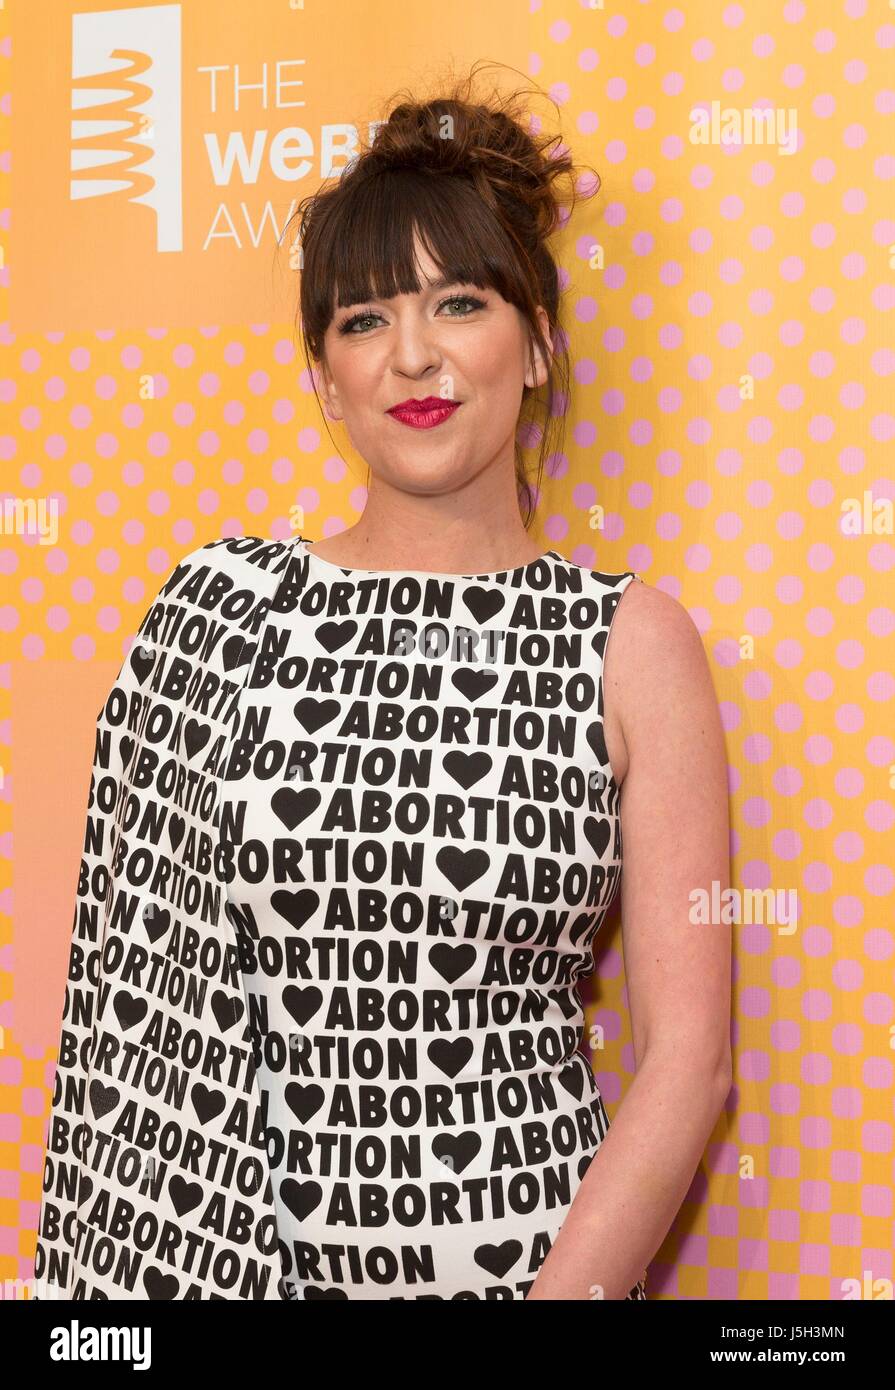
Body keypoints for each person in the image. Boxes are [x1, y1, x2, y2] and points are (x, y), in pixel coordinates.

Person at [34, 69, 731, 1302]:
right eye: (362, 320)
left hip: (533, 1268)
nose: (413, 354)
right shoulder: (215, 611)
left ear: (536, 344)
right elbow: (125, 1034)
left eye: (459, 302)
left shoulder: (629, 643)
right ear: (321, 377)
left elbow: (690, 1060)